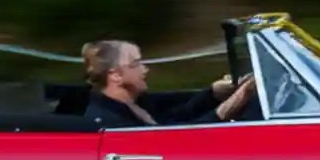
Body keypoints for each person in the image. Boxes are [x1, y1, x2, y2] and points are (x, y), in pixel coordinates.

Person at [81, 39, 256, 128]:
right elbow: (177, 140)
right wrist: (234, 102)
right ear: (116, 76)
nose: (145, 70)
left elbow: (177, 118)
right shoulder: (110, 121)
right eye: (136, 64)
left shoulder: (137, 103)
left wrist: (213, 93)